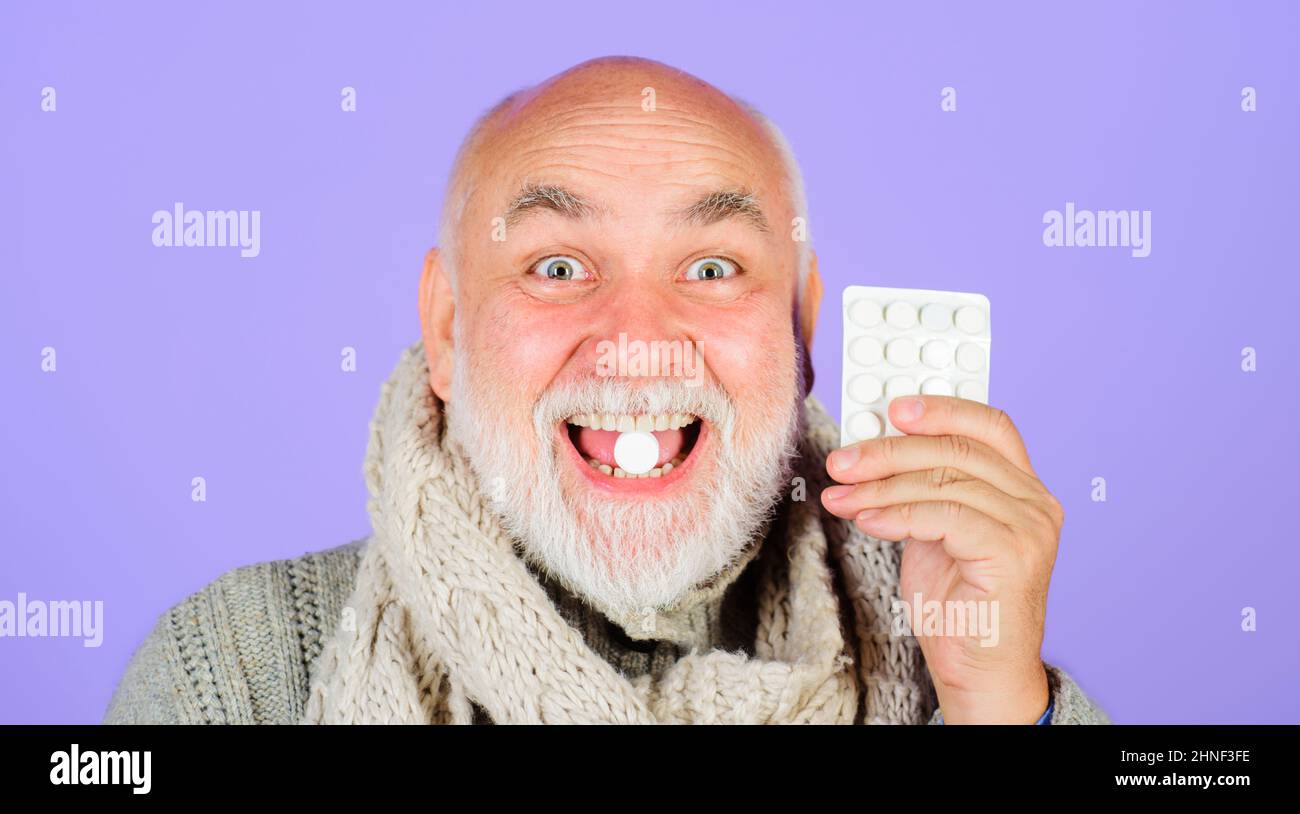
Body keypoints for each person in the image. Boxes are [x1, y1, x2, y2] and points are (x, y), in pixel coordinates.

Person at [105, 56, 1107, 725]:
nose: (637, 343)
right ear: (448, 328)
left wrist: (998, 704)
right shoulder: (228, 675)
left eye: (711, 268)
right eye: (556, 267)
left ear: (803, 330)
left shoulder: (950, 644)